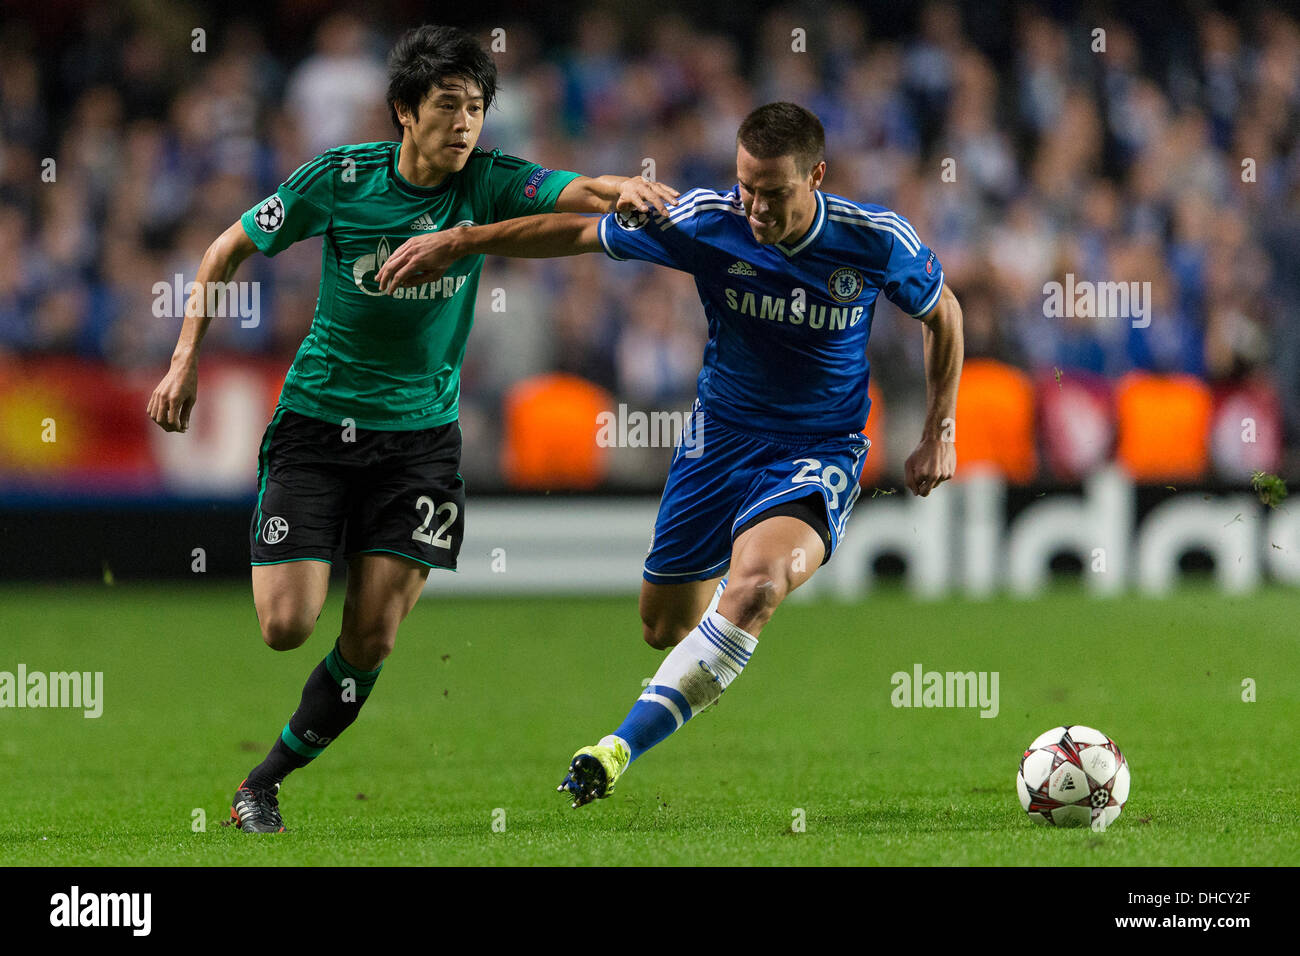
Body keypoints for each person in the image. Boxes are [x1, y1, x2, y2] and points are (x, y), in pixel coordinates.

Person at [146, 24, 677, 831]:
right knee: (286, 626)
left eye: (475, 108)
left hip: (420, 443)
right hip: (319, 423)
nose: (465, 124)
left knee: (374, 635)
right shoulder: (341, 178)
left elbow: (578, 192)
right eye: (448, 106)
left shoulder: (488, 182)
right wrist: (184, 359)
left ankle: (263, 782)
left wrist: (625, 191)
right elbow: (226, 250)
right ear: (404, 109)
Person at [376, 101, 963, 807]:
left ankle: (618, 745)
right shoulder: (709, 222)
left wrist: (940, 430)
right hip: (717, 445)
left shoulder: (874, 240)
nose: (756, 209)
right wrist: (466, 241)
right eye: (746, 187)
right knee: (661, 627)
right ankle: (712, 646)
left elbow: (944, 314)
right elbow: (578, 235)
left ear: (818, 176)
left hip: (819, 448)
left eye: (774, 193)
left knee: (757, 587)